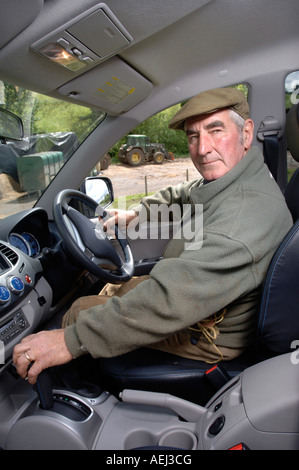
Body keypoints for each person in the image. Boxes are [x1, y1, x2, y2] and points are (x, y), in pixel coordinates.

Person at [13, 87, 293, 384]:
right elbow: (186, 193)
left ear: (246, 133)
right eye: (193, 136)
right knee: (113, 288)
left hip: (208, 335)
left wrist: (68, 340)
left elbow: (166, 301)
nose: (202, 149)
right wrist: (135, 214)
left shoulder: (243, 217)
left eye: (215, 130)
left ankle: (68, 391)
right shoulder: (234, 179)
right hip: (194, 297)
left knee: (79, 312)